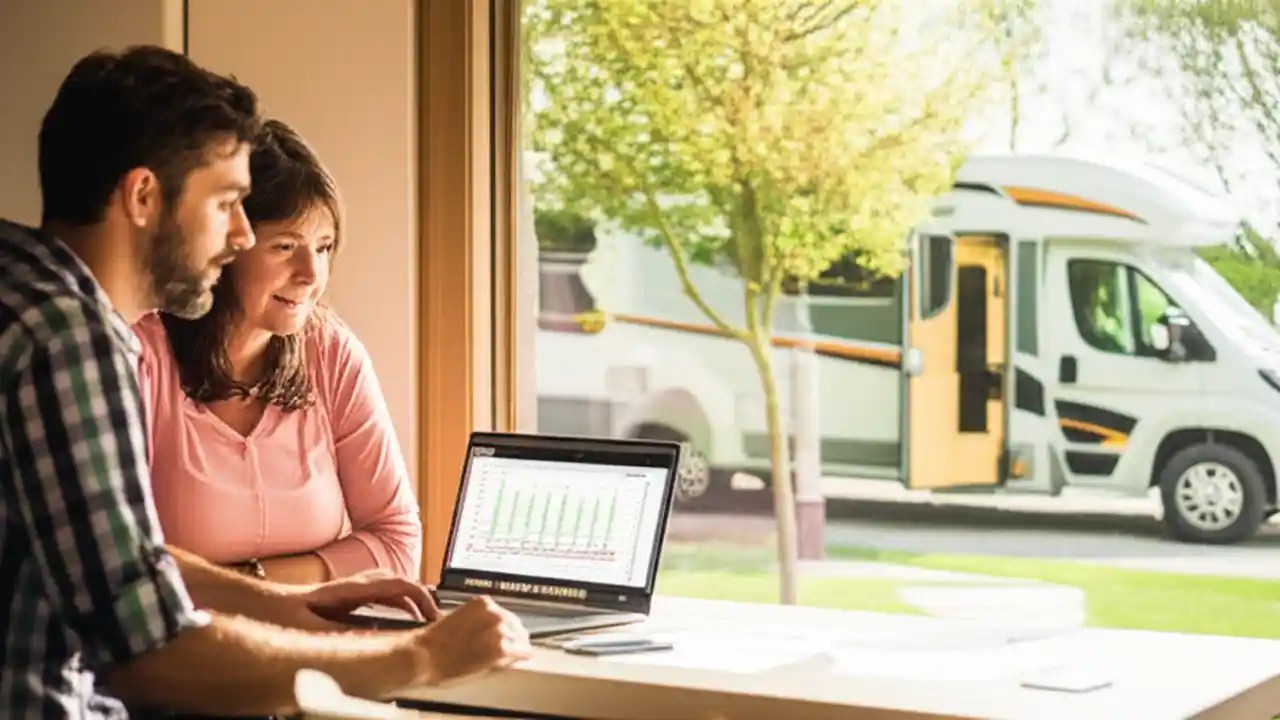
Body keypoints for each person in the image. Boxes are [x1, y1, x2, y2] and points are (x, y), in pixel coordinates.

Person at [0, 45, 530, 719]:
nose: (238, 234)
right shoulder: (70, 339)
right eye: (225, 203)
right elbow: (148, 655)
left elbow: (112, 557)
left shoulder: (18, 285)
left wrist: (279, 603)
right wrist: (421, 658)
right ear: (142, 197)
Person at [134, 119, 420, 585]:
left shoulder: (330, 351)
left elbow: (396, 543)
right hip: (186, 652)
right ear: (228, 244)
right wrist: (310, 577)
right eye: (286, 246)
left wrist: (251, 579)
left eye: (323, 247)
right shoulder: (141, 355)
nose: (311, 273)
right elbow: (127, 578)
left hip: (319, 648)